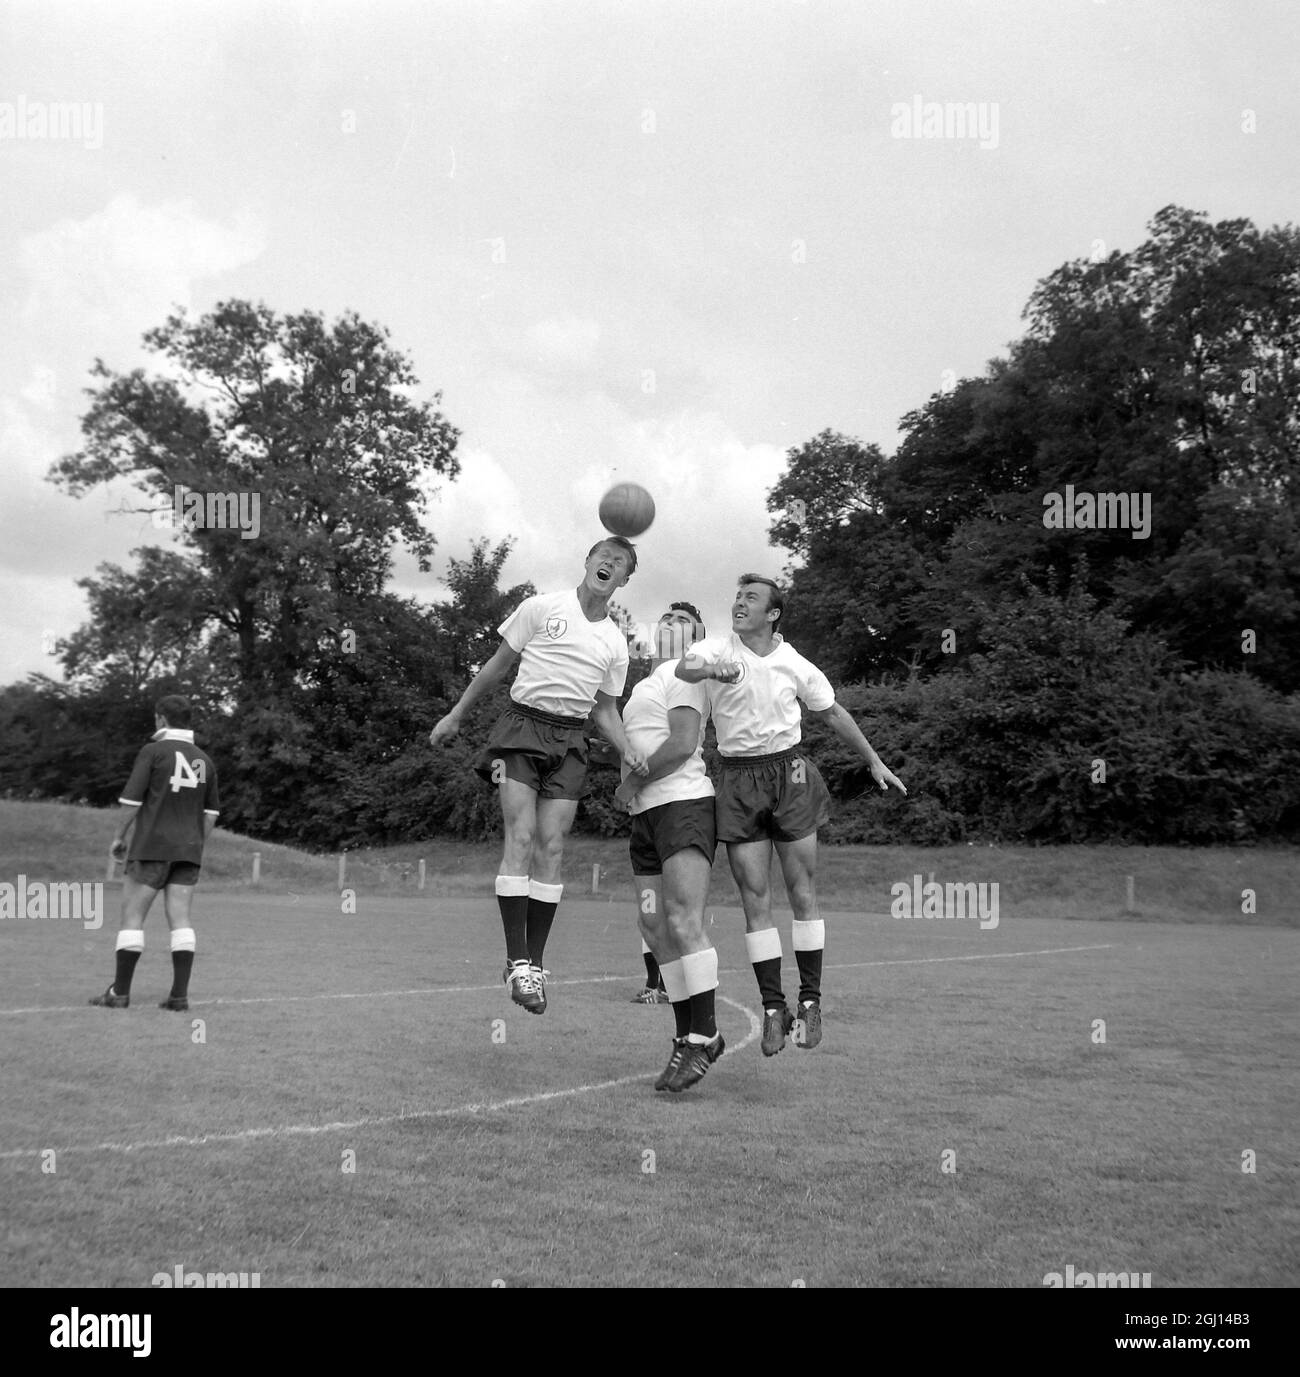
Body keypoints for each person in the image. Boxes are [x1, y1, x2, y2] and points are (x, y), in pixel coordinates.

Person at [677, 575, 906, 1056]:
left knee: (803, 892)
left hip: (791, 774)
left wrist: (874, 760)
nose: (739, 603)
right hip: (738, 779)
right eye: (737, 596)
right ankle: (772, 1010)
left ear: (773, 614)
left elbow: (834, 713)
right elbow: (685, 666)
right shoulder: (718, 648)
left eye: (751, 599)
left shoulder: (793, 660)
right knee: (754, 900)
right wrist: (708, 671)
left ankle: (810, 1001)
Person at [430, 537, 648, 1014]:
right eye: (603, 557)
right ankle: (516, 959)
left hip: (570, 741)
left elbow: (605, 711)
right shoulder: (541, 607)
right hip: (521, 729)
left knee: (552, 847)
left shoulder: (614, 643)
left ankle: (533, 967)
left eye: (620, 563)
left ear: (626, 580)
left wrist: (628, 750)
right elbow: (495, 667)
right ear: (587, 561)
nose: (609, 564)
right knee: (522, 838)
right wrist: (457, 715)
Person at [615, 602, 724, 1092]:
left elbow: (681, 745)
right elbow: (632, 744)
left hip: (683, 807)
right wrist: (630, 789)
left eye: (683, 621)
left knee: (683, 921)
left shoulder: (686, 674)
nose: (670, 624)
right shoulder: (643, 684)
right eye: (665, 618)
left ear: (698, 636)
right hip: (646, 817)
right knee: (653, 924)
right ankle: (688, 1036)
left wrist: (628, 787)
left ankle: (706, 1034)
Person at [91, 695, 220, 1012]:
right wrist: (194, 844)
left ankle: (119, 993)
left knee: (132, 918)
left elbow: (132, 802)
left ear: (162, 718)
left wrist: (118, 837)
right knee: (181, 920)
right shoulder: (205, 760)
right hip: (187, 852)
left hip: (151, 847)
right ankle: (179, 996)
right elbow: (212, 814)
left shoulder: (153, 751)